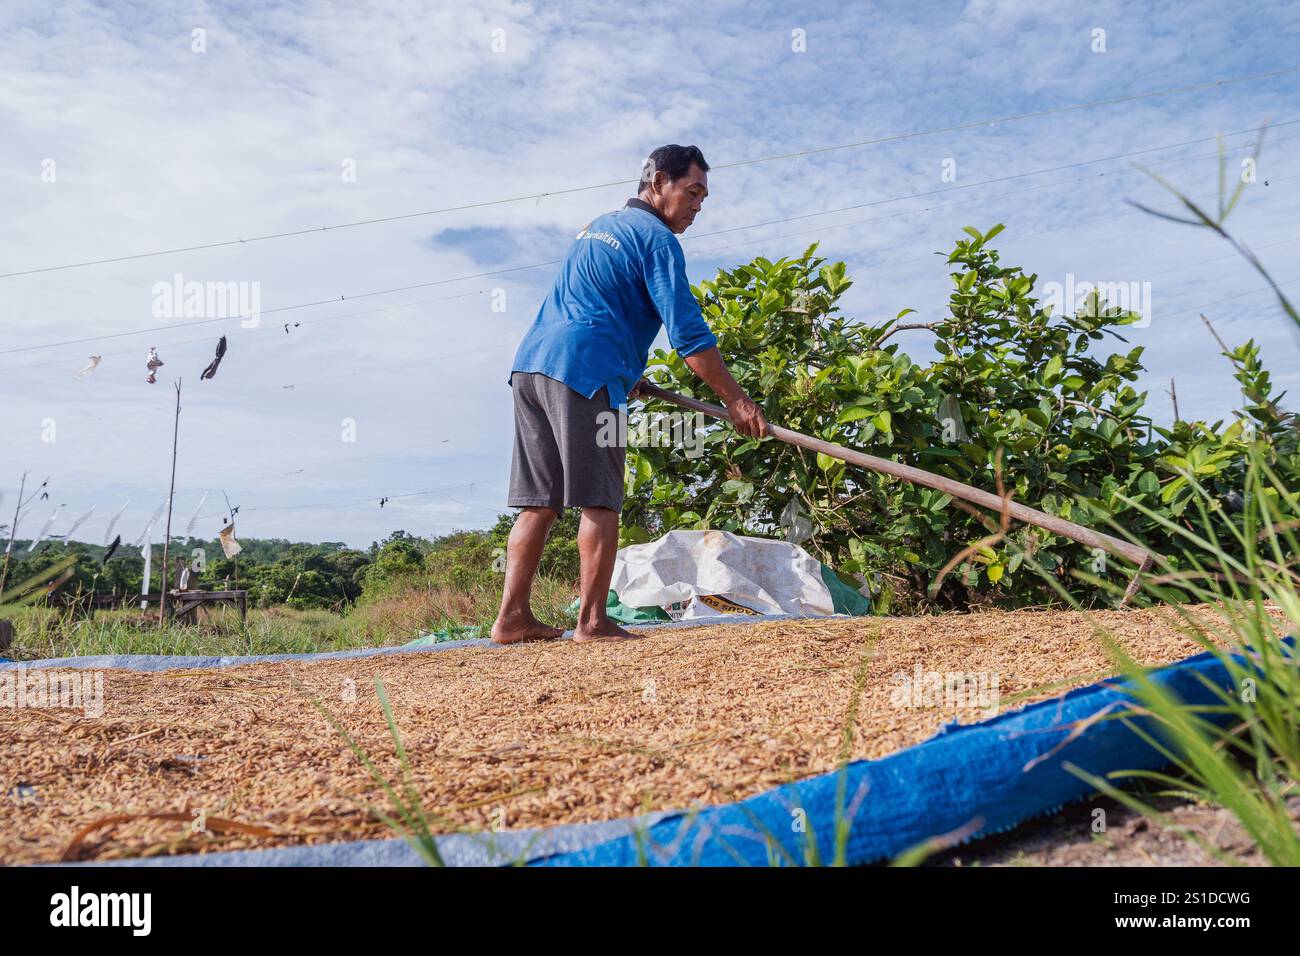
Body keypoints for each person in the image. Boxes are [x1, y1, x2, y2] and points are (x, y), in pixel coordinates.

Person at [493, 144, 767, 644]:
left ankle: (512, 618)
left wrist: (626, 373)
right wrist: (737, 400)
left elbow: (594, 304)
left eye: (703, 197)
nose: (698, 206)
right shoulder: (659, 241)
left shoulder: (597, 226)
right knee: (601, 499)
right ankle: (593, 622)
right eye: (692, 192)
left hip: (533, 367)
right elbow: (691, 338)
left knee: (540, 502)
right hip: (585, 372)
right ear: (658, 181)